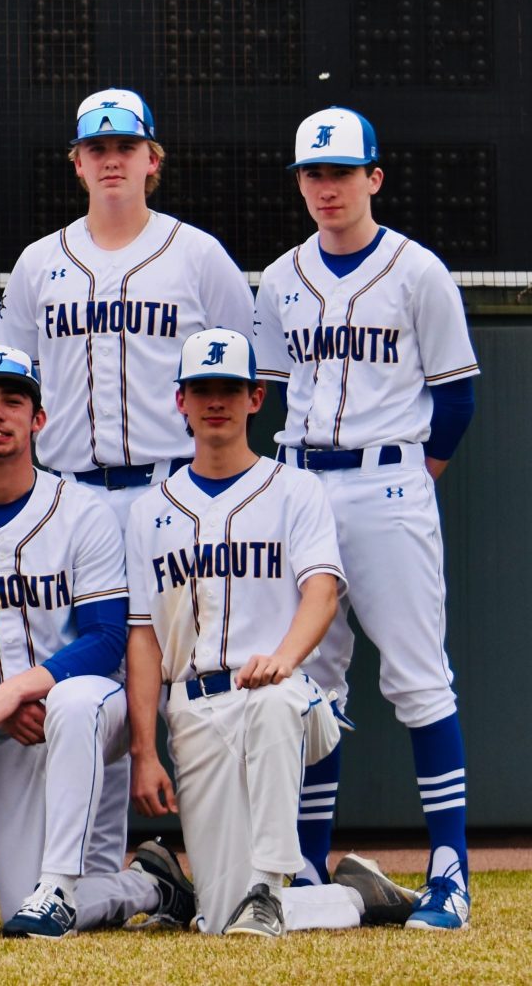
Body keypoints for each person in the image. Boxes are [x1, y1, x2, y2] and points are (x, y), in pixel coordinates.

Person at [253, 107, 480, 929]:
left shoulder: (419, 271)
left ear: (374, 177)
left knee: (418, 677)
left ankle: (450, 871)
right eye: (313, 173)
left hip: (389, 479)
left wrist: (412, 477)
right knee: (309, 681)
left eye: (342, 172)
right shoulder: (279, 278)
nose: (326, 187)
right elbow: (270, 389)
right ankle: (307, 863)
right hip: (302, 482)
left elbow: (456, 398)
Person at [0, 346, 195, 938]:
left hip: (87, 712)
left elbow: (107, 638)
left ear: (38, 419)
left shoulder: (83, 511)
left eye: (13, 400)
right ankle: (152, 884)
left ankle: (57, 882)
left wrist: (14, 693)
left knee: (77, 700)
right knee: (16, 902)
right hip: (1, 727)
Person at [124, 329, 367, 937]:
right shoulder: (149, 509)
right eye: (202, 389)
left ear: (256, 398)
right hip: (197, 708)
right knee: (217, 919)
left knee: (272, 701)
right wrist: (146, 749)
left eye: (229, 389)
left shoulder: (295, 489)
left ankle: (267, 887)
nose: (216, 401)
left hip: (285, 699)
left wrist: (286, 659)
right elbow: (145, 636)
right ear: (180, 400)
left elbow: (321, 590)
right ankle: (359, 896)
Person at [2, 89, 254, 523]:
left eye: (126, 147)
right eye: (96, 149)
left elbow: (242, 375)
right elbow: (17, 378)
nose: (111, 160)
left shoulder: (199, 255)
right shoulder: (38, 262)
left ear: (152, 159)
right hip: (66, 493)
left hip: (175, 488)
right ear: (78, 163)